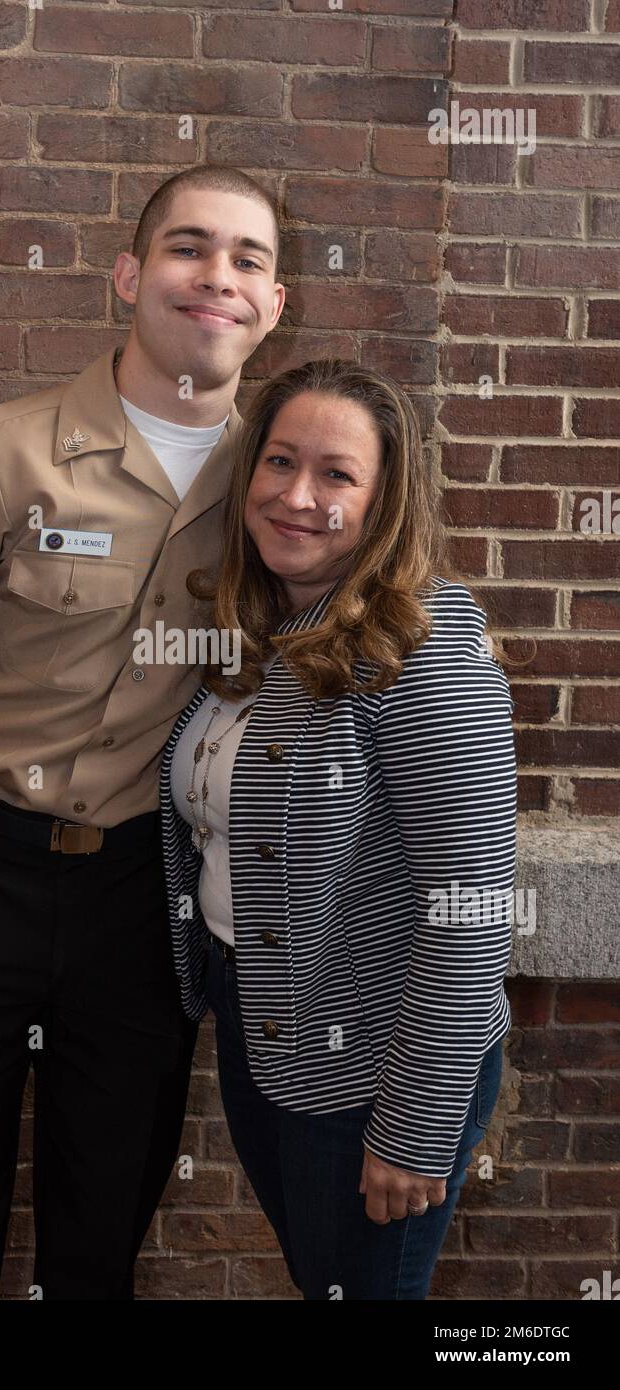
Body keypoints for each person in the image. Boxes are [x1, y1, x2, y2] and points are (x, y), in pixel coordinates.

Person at [0, 163, 285, 1299]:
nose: (216, 277)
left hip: (143, 897)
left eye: (249, 259)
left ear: (275, 307)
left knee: (102, 1230)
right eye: (189, 247)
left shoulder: (278, 496)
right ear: (129, 276)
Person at [159, 358, 518, 1300]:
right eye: (278, 463)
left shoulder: (424, 643)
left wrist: (413, 1124)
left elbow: (472, 903)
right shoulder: (260, 624)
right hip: (260, 1025)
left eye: (337, 475)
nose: (298, 496)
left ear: (385, 500)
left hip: (376, 1058)